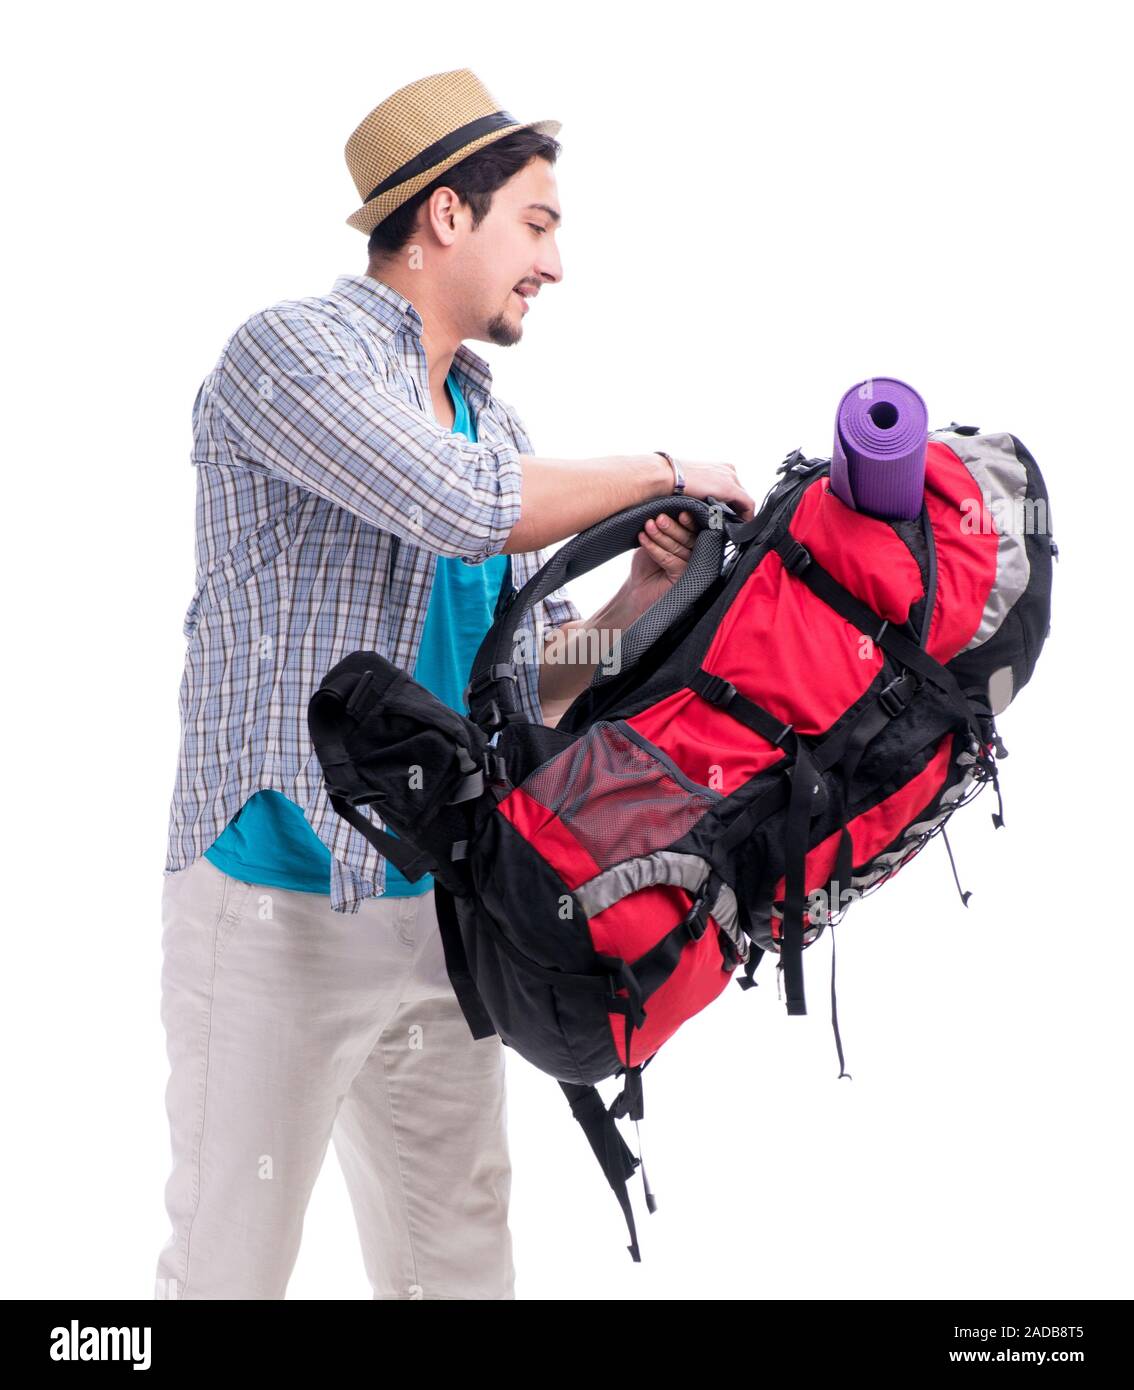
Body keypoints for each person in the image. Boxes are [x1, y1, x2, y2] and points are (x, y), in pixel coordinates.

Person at [155, 66, 756, 1301]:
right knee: (230, 1269)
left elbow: (528, 689)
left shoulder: (501, 425)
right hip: (279, 907)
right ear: (442, 216)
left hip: (442, 912)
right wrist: (665, 468)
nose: (556, 261)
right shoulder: (291, 355)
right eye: (536, 223)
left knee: (459, 1268)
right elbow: (456, 506)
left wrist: (639, 602)